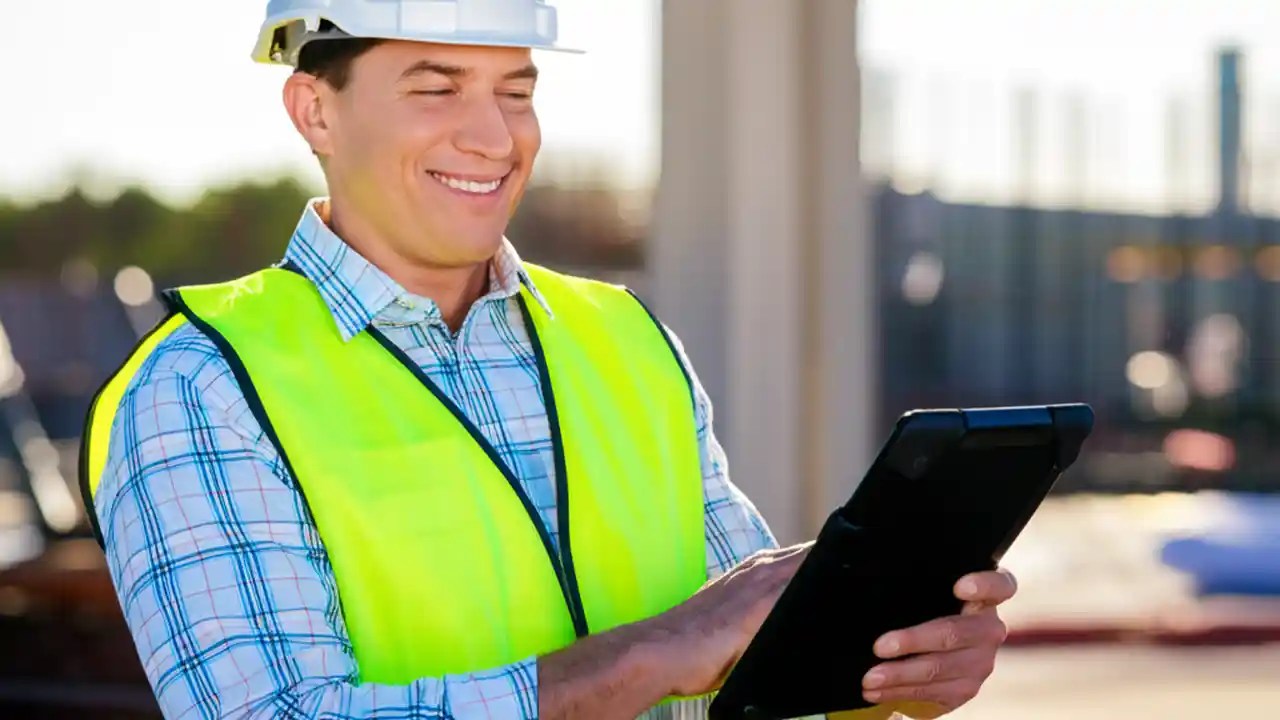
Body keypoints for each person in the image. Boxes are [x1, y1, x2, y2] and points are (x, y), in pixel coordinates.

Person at [80, 1, 1017, 718]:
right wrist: (648, 657)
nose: (494, 137)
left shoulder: (626, 340)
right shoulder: (203, 385)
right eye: (436, 87)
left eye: (516, 91)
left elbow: (748, 676)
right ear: (315, 110)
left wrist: (886, 675)